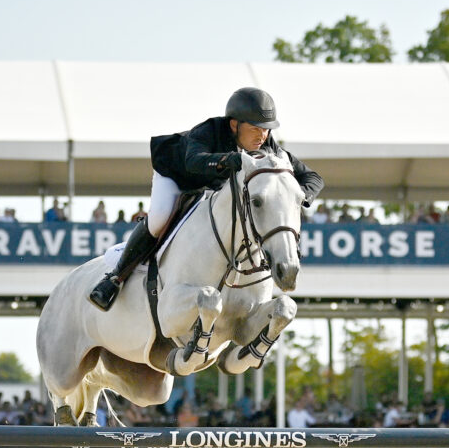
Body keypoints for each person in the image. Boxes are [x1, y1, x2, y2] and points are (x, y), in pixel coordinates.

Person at [87, 86, 324, 311]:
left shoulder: (267, 144)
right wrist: (229, 159)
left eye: (266, 129)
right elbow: (193, 161)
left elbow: (312, 177)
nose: (262, 135)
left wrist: (298, 197)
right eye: (255, 128)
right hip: (178, 176)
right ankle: (116, 277)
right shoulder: (209, 131)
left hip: (212, 188)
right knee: (159, 217)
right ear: (234, 125)